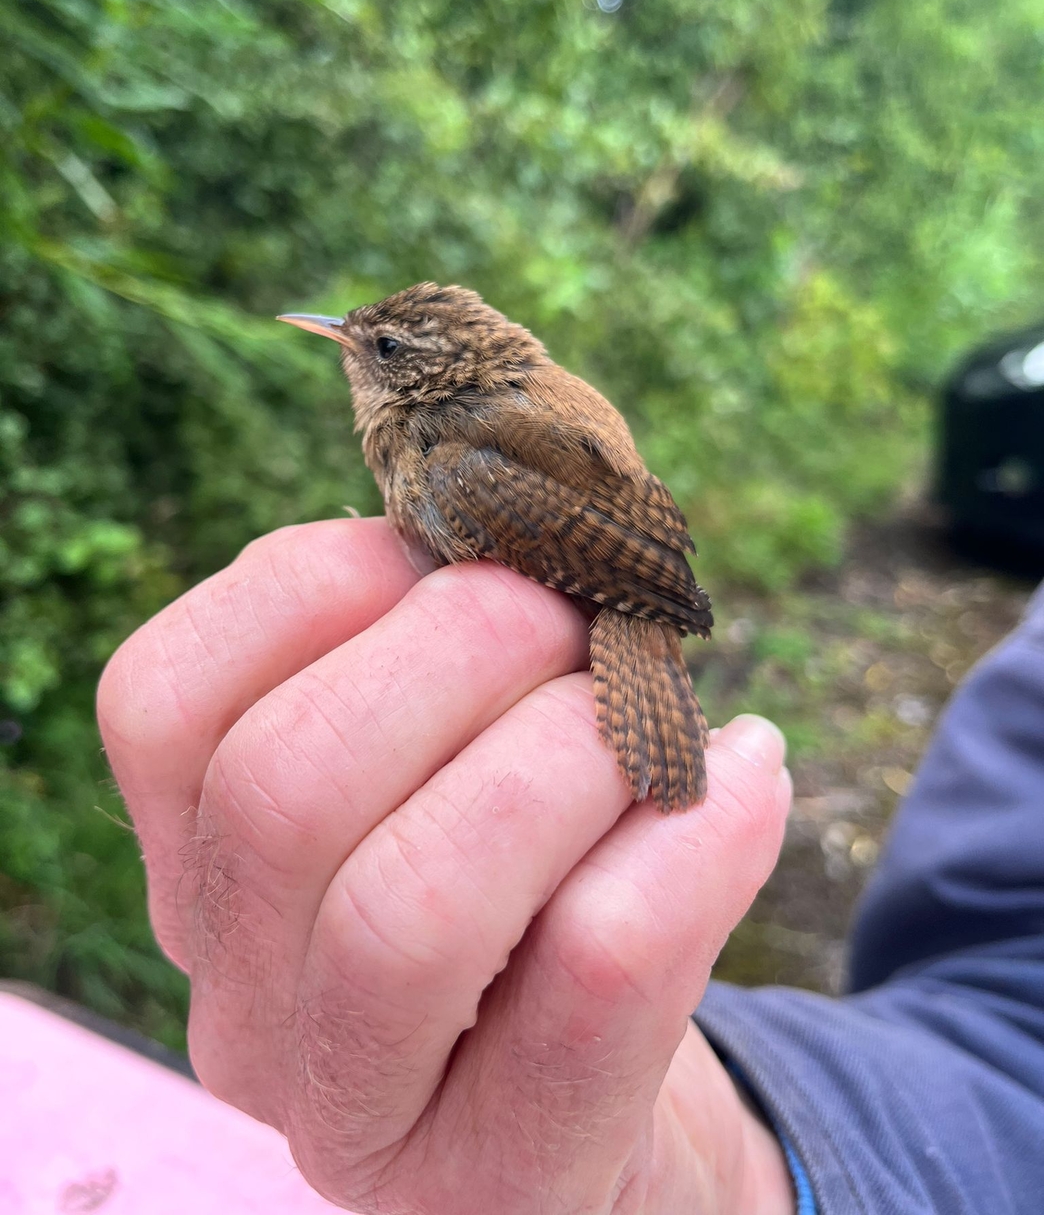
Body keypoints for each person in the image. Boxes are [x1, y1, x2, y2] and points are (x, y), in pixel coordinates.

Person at [97, 517, 1044, 1213]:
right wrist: (734, 1174)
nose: (354, 353)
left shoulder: (454, 450)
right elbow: (1009, 1005)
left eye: (382, 349)